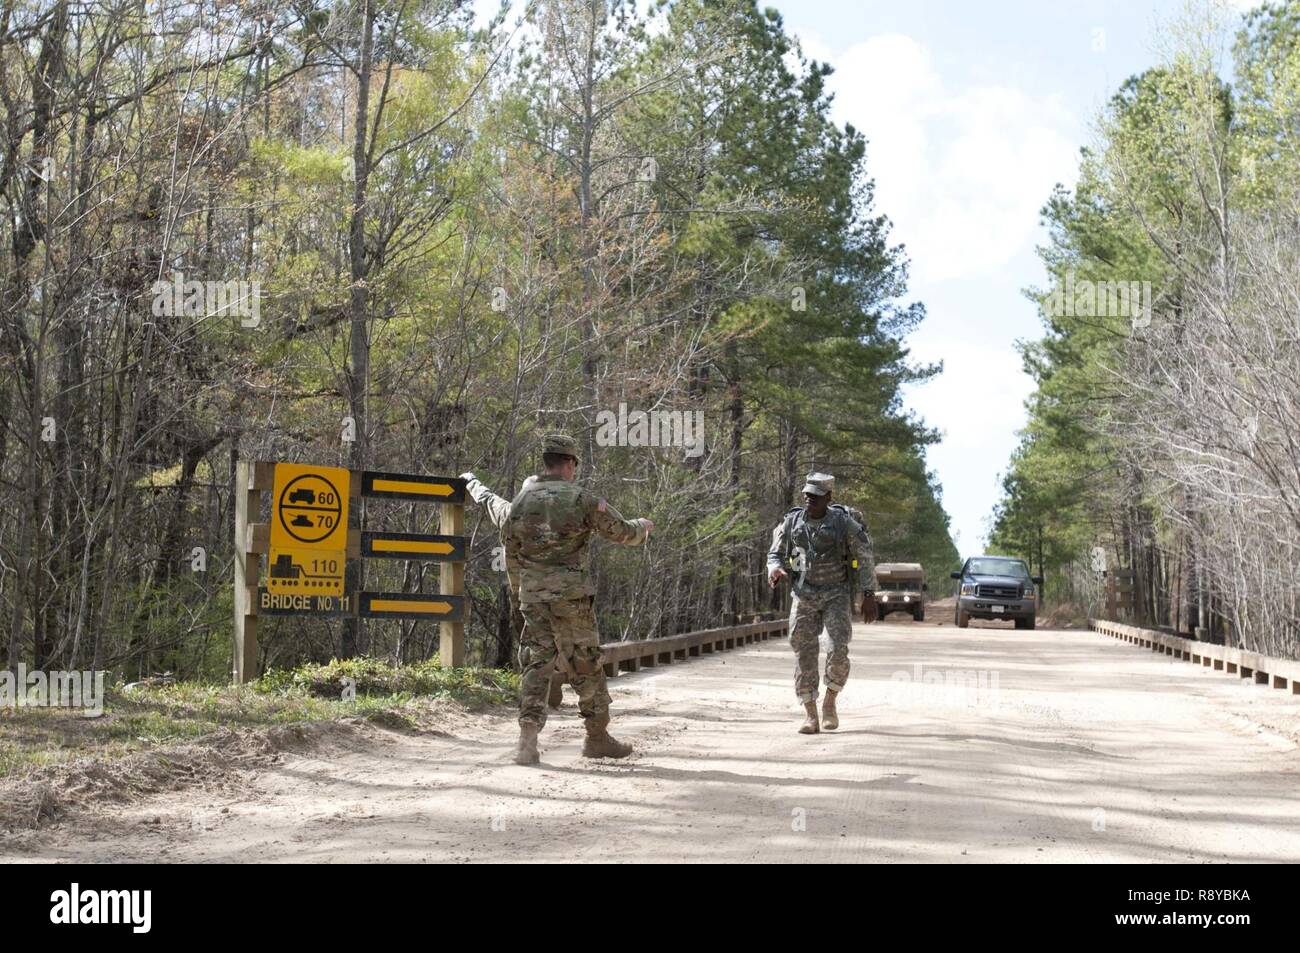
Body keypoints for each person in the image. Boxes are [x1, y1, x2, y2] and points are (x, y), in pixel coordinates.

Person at [462, 433, 653, 764]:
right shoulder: (582, 499)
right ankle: (596, 737)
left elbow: (502, 527)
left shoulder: (521, 501)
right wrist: (642, 527)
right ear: (569, 463)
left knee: (537, 664)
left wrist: (518, 596)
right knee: (586, 663)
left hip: (533, 598)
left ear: (546, 462)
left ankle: (527, 741)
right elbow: (622, 531)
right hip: (571, 599)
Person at [766, 472, 877, 734]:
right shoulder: (792, 522)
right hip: (803, 593)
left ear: (828, 497)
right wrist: (775, 568)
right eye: (807, 494)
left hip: (836, 594)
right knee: (803, 651)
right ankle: (810, 714)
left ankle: (829, 702)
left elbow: (864, 556)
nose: (809, 499)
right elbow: (775, 553)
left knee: (838, 649)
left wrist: (869, 595)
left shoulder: (843, 523)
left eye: (816, 495)